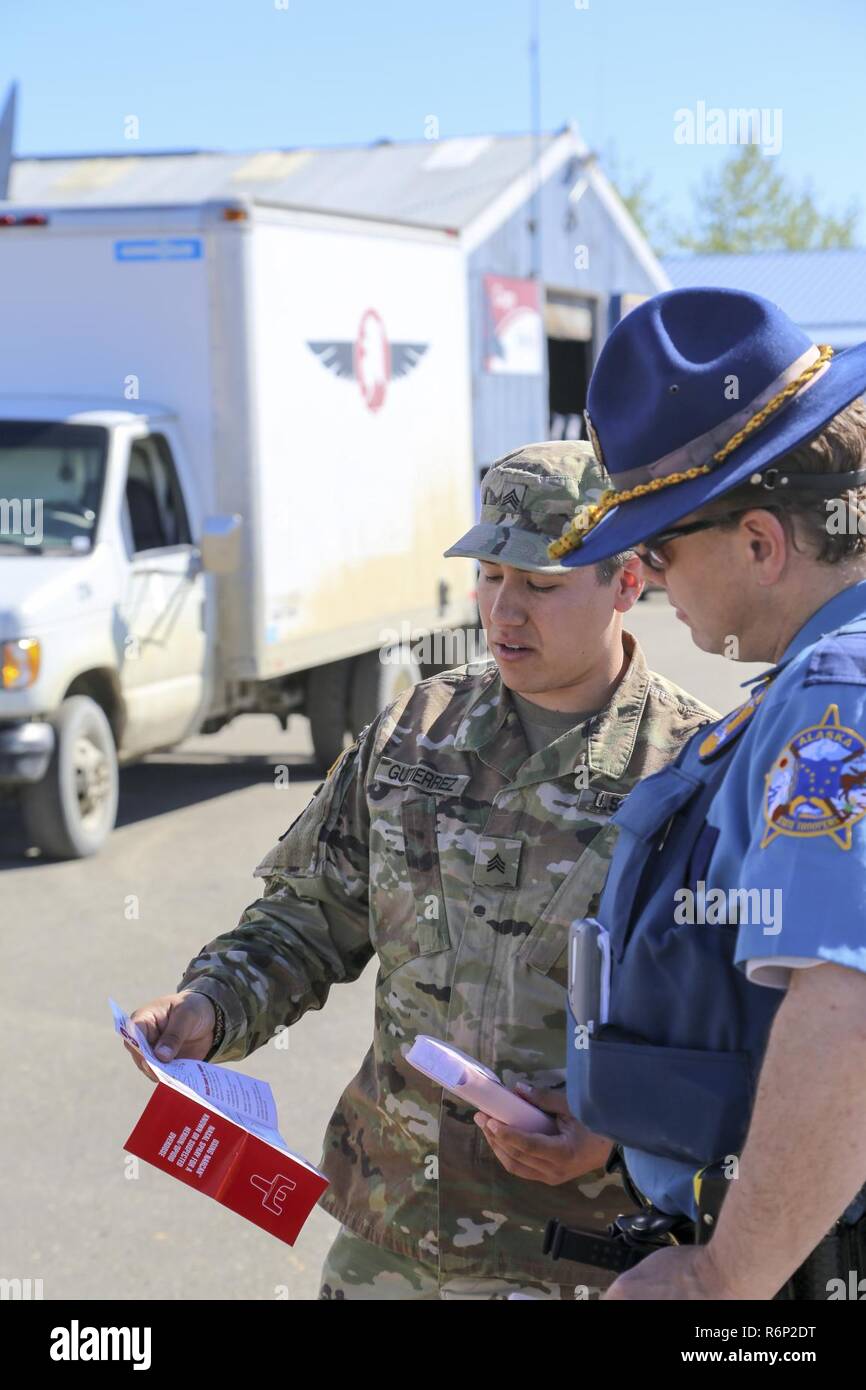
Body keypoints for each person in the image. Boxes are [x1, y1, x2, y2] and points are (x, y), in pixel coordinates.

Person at [125, 442, 715, 1301]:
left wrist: (614, 1127)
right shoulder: (414, 731)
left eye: (541, 585)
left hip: (578, 1259)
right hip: (391, 1238)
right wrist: (211, 1006)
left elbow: (737, 1031)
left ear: (627, 583)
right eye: (489, 578)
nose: (504, 612)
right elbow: (308, 917)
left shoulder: (693, 774)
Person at [535, 286, 866, 1301]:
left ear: (761, 544)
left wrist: (723, 1278)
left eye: (659, 550)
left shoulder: (834, 698)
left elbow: (846, 1004)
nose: (654, 587)